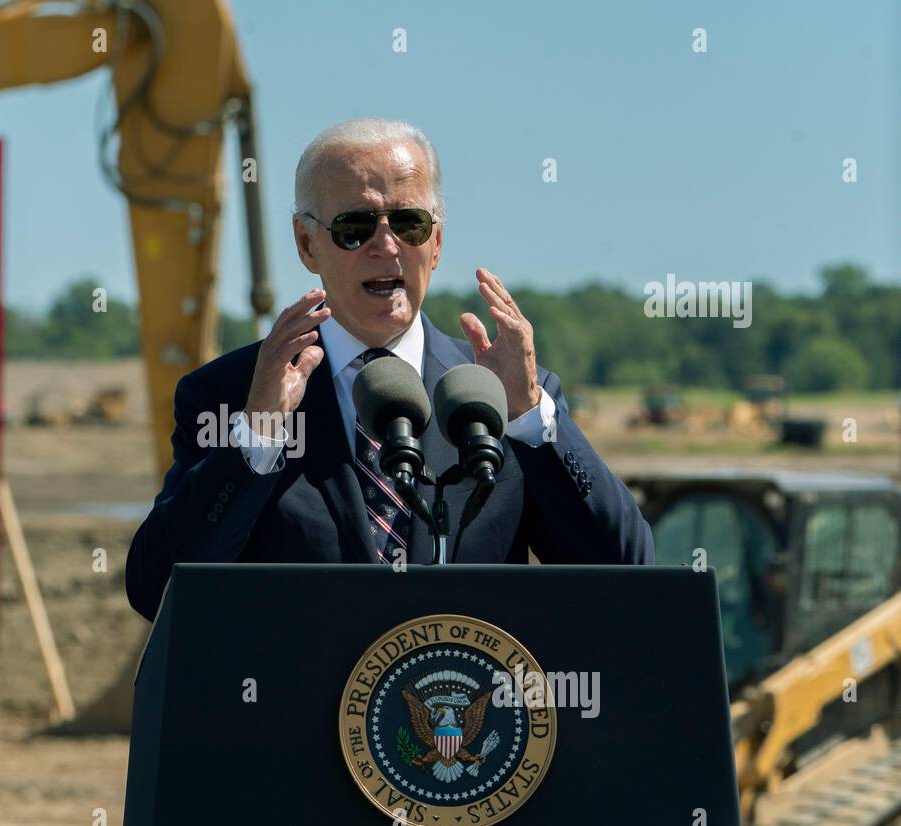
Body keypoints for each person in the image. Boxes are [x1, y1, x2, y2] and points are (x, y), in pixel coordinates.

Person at [126, 118, 652, 622]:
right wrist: (256, 438)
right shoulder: (230, 395)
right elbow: (157, 589)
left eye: (409, 223)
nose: (386, 245)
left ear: (437, 242)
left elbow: (627, 569)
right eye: (354, 226)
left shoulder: (502, 392)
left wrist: (529, 418)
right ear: (307, 244)